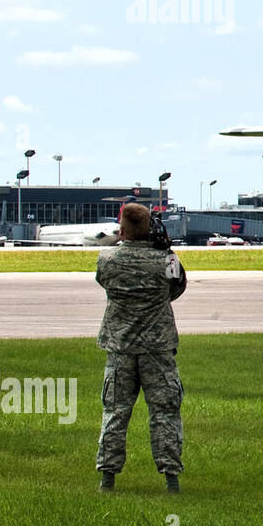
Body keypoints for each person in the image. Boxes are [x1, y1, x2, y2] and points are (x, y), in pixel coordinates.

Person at [94, 202, 187, 493]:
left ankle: (107, 478)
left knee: (115, 411)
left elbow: (103, 282)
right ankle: (171, 478)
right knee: (165, 412)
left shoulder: (107, 259)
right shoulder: (167, 260)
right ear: (149, 228)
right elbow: (178, 287)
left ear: (122, 229)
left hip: (120, 347)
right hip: (158, 350)